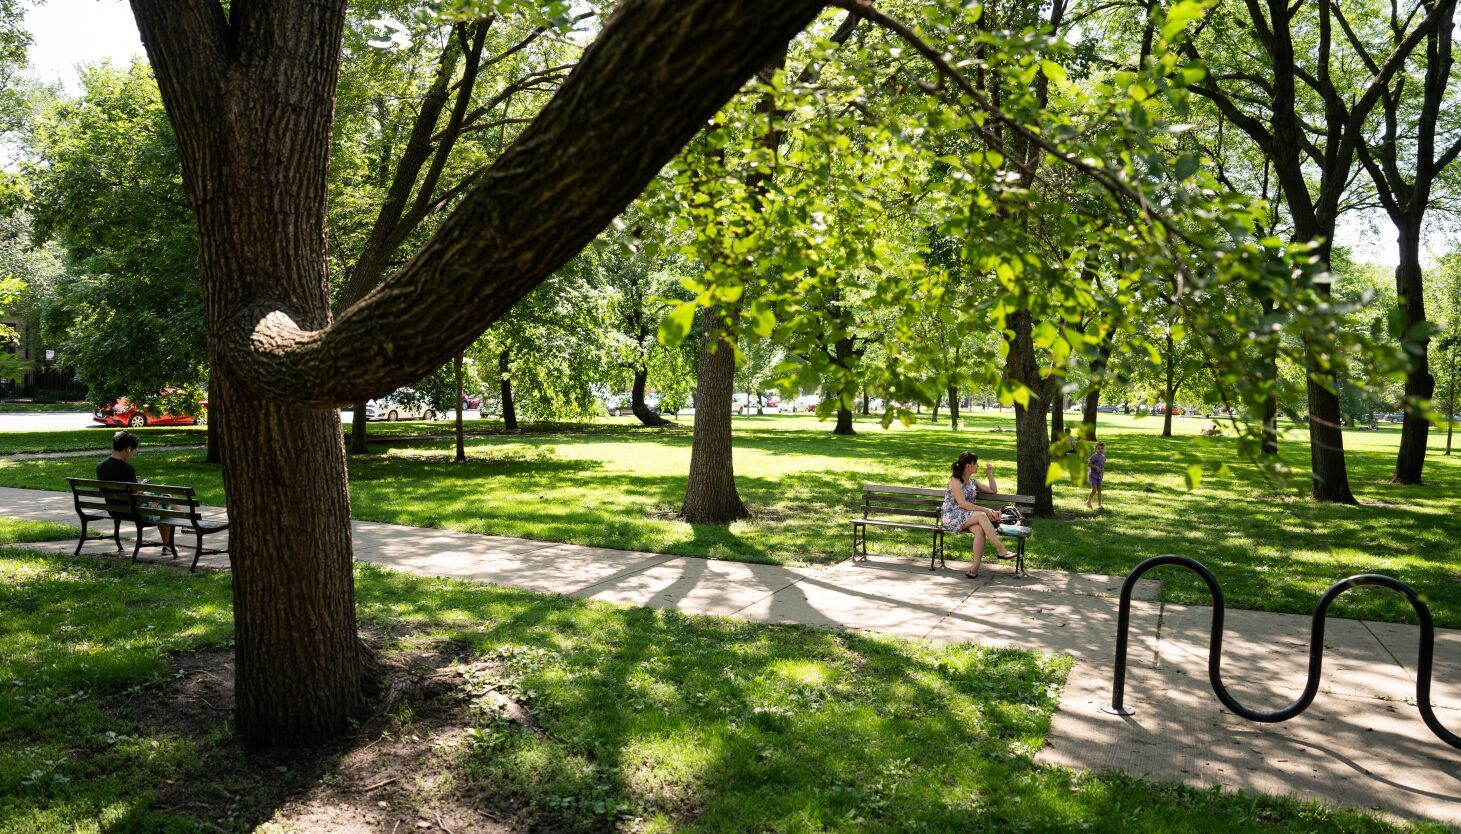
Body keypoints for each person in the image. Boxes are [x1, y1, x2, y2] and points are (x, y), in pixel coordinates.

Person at [940, 451, 1017, 579]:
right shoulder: (955, 480)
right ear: (968, 466)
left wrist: (990, 474)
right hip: (952, 516)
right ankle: (1001, 549)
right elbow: (962, 503)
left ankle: (974, 569)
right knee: (981, 515)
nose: (978, 466)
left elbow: (993, 490)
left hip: (967, 516)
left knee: (980, 531)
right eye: (975, 463)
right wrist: (986, 510)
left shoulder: (973, 482)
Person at [97, 430, 175, 551]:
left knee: (164, 498)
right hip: (133, 511)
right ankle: (168, 544)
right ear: (128, 449)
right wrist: (146, 492)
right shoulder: (128, 469)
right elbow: (137, 494)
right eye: (134, 451)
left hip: (113, 510)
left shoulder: (101, 466)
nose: (133, 454)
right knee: (167, 501)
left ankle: (169, 544)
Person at [1084, 441, 1106, 510]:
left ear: (1104, 449)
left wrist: (1102, 475)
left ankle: (1099, 505)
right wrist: (1096, 467)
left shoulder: (1103, 457)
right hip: (1093, 476)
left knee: (1099, 490)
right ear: (1095, 449)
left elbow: (1102, 467)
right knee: (1094, 490)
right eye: (1098, 448)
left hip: (1099, 476)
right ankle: (1088, 501)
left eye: (1102, 448)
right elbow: (1089, 464)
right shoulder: (1094, 456)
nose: (1100, 450)